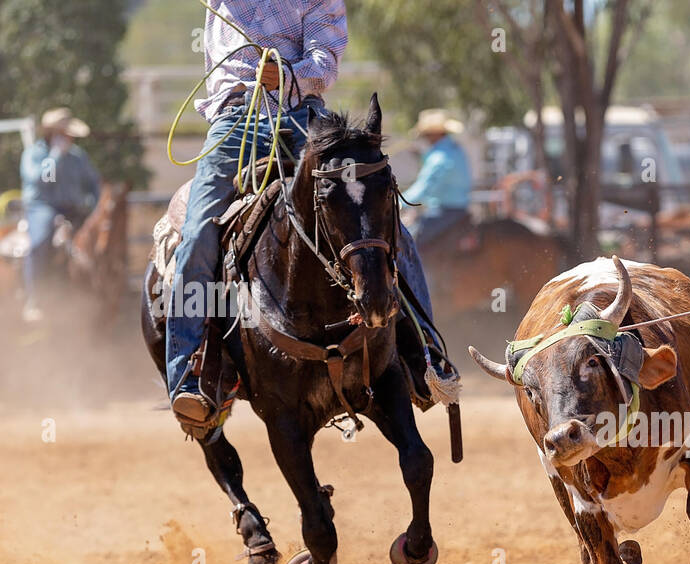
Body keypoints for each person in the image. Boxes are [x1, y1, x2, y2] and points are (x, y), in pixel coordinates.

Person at [167, 0, 442, 440]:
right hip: (232, 120)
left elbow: (324, 61)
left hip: (302, 118)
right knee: (198, 233)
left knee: (380, 223)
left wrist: (288, 75)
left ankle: (426, 355)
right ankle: (189, 377)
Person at [18, 108, 101, 323]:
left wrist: (93, 203)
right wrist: (56, 156)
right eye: (65, 133)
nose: (70, 138)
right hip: (42, 207)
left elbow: (94, 182)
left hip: (73, 209)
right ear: (53, 133)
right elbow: (42, 179)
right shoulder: (35, 153)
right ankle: (33, 300)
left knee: (99, 240)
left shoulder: (77, 156)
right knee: (40, 239)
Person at [405, 110, 472, 248]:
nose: (426, 138)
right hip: (458, 209)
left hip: (445, 211)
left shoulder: (438, 158)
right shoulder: (454, 150)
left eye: (427, 134)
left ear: (436, 134)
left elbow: (424, 188)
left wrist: (398, 202)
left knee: (407, 241)